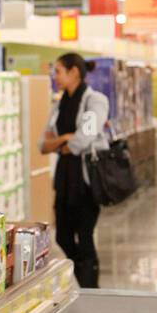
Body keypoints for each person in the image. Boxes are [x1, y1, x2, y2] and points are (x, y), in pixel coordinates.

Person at [39, 52, 110, 289]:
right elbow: (43, 144)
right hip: (64, 181)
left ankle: (91, 289)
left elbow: (83, 139)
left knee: (86, 237)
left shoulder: (95, 101)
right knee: (62, 236)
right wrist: (66, 140)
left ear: (74, 72)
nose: (54, 77)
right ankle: (81, 277)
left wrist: (63, 142)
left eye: (58, 71)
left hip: (86, 182)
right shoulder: (59, 104)